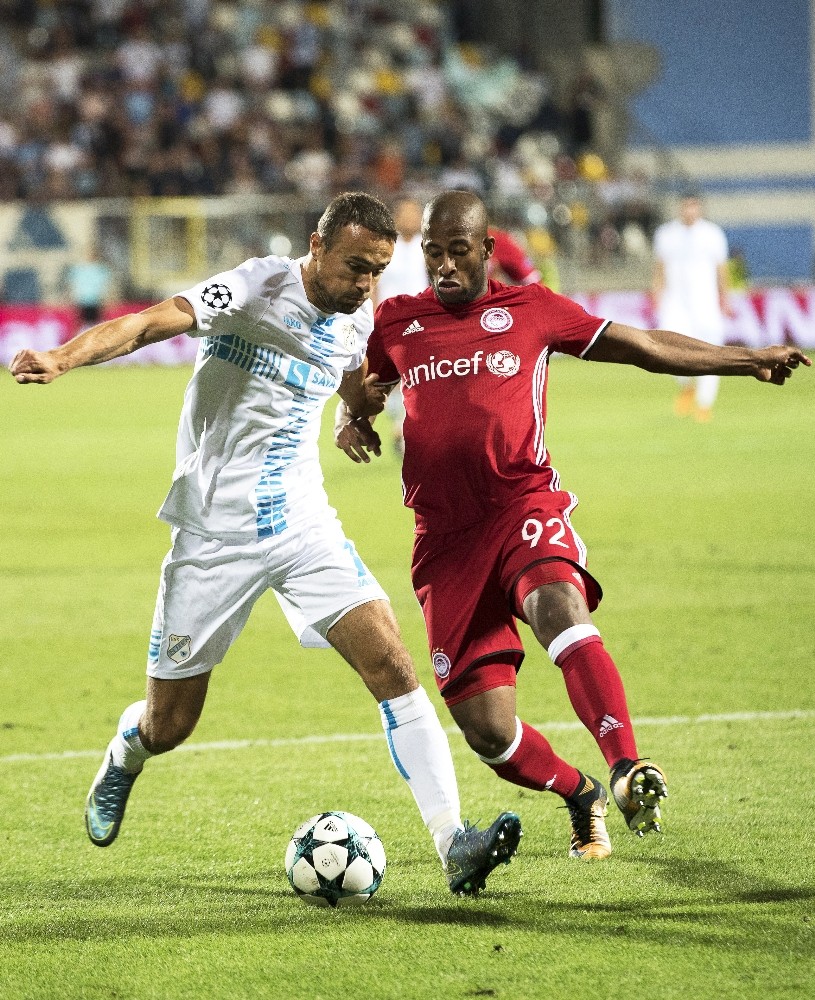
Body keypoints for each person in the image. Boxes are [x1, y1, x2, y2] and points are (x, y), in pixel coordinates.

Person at [9, 192, 522, 898]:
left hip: (301, 524)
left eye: (375, 270)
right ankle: (127, 752)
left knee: (394, 668)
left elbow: (348, 370)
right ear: (315, 247)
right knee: (170, 723)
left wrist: (351, 414)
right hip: (213, 534)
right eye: (352, 267)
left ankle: (451, 841)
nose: (363, 284)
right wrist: (65, 357)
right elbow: (153, 322)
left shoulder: (355, 318)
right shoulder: (256, 285)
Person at [335, 190, 809, 860]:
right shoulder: (397, 320)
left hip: (521, 506)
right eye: (433, 253)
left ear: (486, 249)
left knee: (555, 602)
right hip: (443, 543)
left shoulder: (529, 310)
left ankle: (625, 768)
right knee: (487, 732)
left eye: (457, 251)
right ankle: (578, 791)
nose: (442, 265)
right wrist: (350, 416)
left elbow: (642, 344)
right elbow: (364, 385)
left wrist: (744, 358)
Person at [652, 192, 734, 422]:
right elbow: (659, 269)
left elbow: (721, 270)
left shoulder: (712, 234)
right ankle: (687, 386)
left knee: (711, 351)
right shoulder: (666, 234)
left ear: (699, 209)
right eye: (685, 207)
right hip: (675, 302)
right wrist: (656, 295)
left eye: (693, 207)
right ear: (680, 208)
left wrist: (724, 299)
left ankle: (705, 403)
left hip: (705, 302)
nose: (689, 211)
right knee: (669, 350)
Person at [374, 196, 430, 457]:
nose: (411, 218)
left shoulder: (428, 247)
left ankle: (408, 428)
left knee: (418, 376)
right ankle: (401, 425)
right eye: (406, 213)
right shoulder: (386, 247)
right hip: (389, 321)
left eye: (414, 213)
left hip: (421, 321)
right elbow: (373, 283)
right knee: (392, 379)